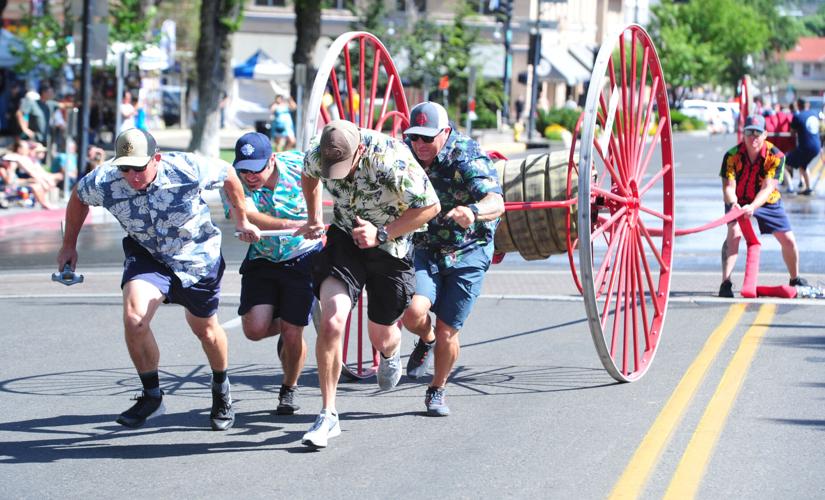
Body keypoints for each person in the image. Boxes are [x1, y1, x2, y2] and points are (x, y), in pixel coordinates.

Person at [56, 128, 261, 430]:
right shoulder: (106, 180)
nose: (132, 175)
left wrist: (242, 216)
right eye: (125, 168)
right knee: (134, 318)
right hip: (148, 254)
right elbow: (78, 196)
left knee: (205, 330)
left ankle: (221, 389)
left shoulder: (186, 168)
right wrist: (69, 245)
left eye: (138, 167)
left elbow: (229, 174)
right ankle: (152, 396)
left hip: (196, 257)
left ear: (156, 159)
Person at [296, 120, 440, 448]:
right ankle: (328, 414)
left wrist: (383, 233)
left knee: (382, 336)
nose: (340, 174)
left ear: (359, 150)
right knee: (332, 320)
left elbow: (431, 206)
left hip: (391, 248)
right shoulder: (320, 155)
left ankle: (391, 353)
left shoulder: (393, 161)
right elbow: (309, 175)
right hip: (345, 238)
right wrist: (314, 215)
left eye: (344, 167)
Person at [399, 102, 504, 416]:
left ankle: (437, 389)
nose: (419, 145)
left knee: (448, 329)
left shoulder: (466, 156)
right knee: (413, 313)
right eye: (414, 137)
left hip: (469, 250)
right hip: (427, 247)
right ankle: (426, 340)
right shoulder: (406, 153)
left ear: (445, 133)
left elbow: (496, 201)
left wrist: (473, 211)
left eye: (427, 138)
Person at [230, 132, 322, 415]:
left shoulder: (298, 164)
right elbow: (244, 211)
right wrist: (286, 223)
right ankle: (287, 319)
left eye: (255, 169)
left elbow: (323, 178)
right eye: (243, 169)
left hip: (302, 256)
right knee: (254, 330)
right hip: (264, 257)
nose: (249, 176)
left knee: (295, 333)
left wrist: (316, 217)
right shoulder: (235, 182)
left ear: (272, 160)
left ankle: (288, 388)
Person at [718, 115, 808, 298]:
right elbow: (728, 187)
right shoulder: (731, 155)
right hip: (739, 198)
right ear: (743, 134)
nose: (753, 137)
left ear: (765, 134)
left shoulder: (776, 156)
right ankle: (725, 283)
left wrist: (752, 206)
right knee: (734, 233)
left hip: (767, 201)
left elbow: (768, 189)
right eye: (749, 132)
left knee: (788, 240)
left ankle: (794, 278)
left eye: (758, 133)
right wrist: (733, 203)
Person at [783, 98, 821, 196]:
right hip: (817, 146)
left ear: (798, 106)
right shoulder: (814, 114)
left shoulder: (798, 116)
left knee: (782, 162)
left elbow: (792, 132)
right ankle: (808, 188)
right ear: (807, 105)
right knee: (803, 165)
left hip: (805, 147)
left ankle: (790, 188)